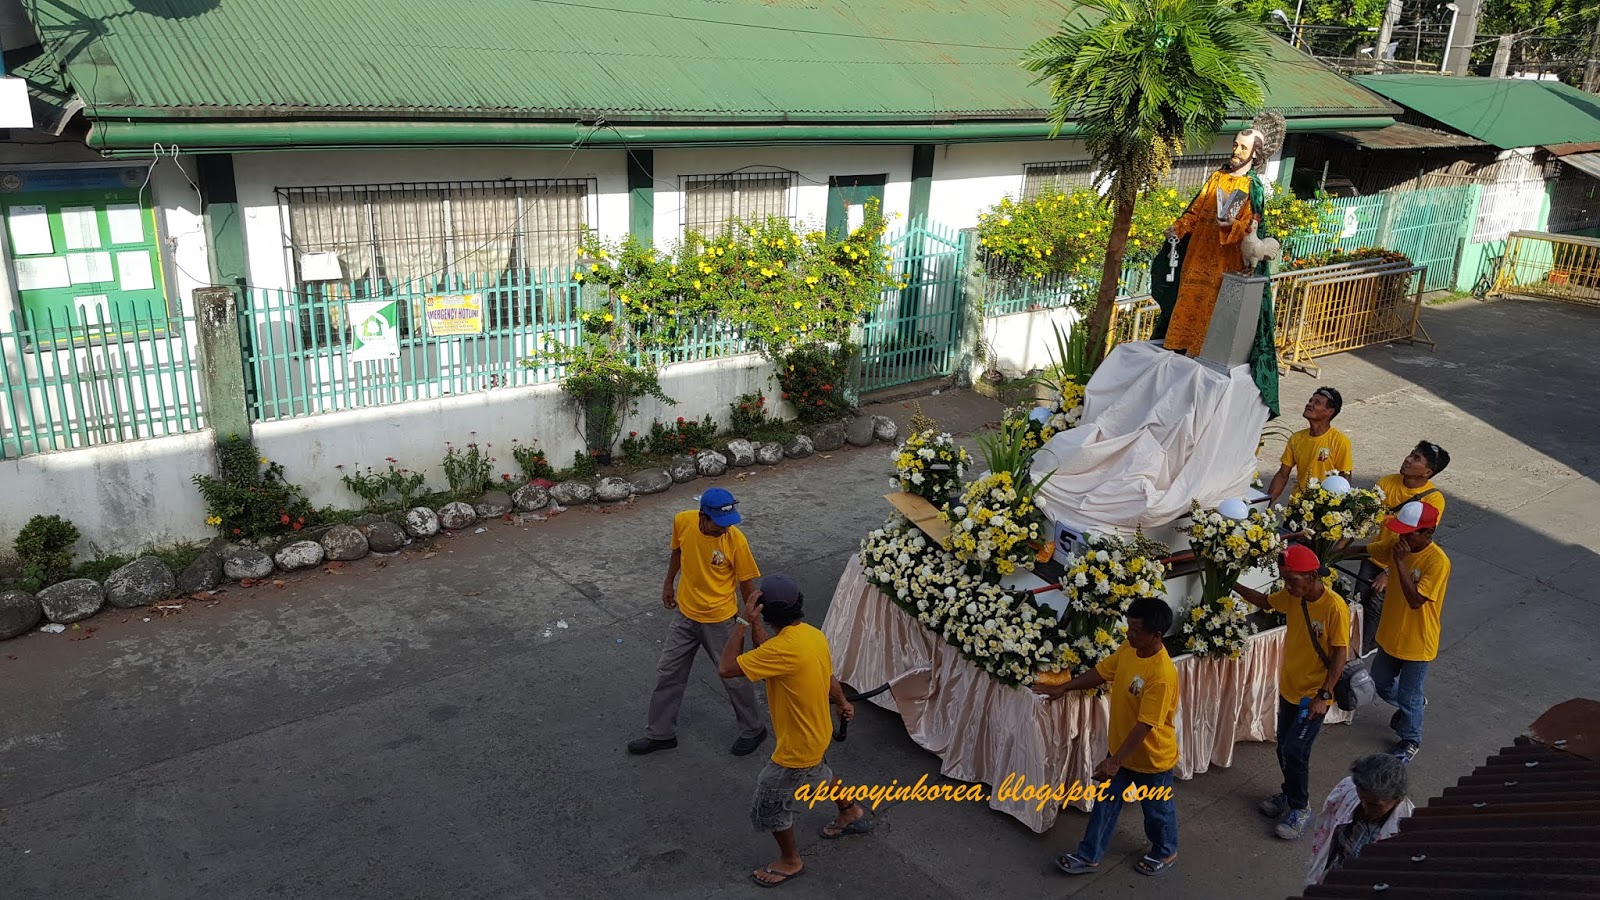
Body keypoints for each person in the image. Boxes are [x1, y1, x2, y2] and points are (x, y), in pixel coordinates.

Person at [716, 573, 871, 887]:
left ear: (765, 613)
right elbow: (823, 674)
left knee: (769, 803)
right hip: (818, 731)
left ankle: (790, 860)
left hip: (796, 748)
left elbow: (726, 668)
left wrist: (743, 622)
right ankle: (850, 811)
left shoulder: (781, 651)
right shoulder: (811, 635)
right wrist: (841, 701)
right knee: (819, 772)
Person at [1032, 596, 1180, 877]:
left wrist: (1115, 762)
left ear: (1156, 635)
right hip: (1121, 752)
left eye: (1135, 631)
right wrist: (1065, 687)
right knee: (1105, 805)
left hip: (1151, 759)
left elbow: (1145, 725)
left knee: (1157, 813)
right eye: (1129, 627)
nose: (1128, 634)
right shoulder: (1129, 648)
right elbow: (1102, 672)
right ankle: (1089, 856)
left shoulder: (1161, 674)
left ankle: (1165, 850)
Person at [628, 487, 768, 757]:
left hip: (721, 620)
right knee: (668, 672)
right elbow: (678, 552)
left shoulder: (735, 541)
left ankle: (754, 728)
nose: (724, 529)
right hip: (686, 615)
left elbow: (748, 587)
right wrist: (668, 582)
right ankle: (660, 733)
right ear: (703, 517)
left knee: (733, 676)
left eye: (729, 523)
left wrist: (752, 626)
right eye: (719, 524)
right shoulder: (683, 521)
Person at [1234, 544, 1351, 840]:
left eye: (1293, 580)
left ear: (1312, 576)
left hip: (1313, 695)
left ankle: (1300, 807)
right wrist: (1230, 582)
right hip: (1290, 688)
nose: (1288, 586)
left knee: (1296, 751)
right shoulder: (1293, 596)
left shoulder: (1334, 607)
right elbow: (1264, 601)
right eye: (1285, 579)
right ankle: (1288, 793)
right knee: (1283, 746)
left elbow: (1339, 655)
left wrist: (1323, 696)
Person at [1161, 113, 1285, 356]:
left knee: (1210, 312)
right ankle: (1177, 349)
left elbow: (1253, 230)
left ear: (1255, 155)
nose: (1237, 151)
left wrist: (1232, 225)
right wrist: (1179, 227)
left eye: (1243, 148)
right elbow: (1195, 211)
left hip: (1223, 264)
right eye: (1235, 145)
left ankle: (1201, 353)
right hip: (1196, 257)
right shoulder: (1217, 177)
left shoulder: (1252, 187)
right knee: (1186, 305)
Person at [1361, 501, 1451, 761]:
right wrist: (1329, 554)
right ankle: (1414, 706)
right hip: (1390, 634)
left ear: (1427, 533)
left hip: (1417, 642)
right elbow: (1366, 550)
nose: (1401, 537)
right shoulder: (1398, 545)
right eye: (1400, 531)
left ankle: (1411, 738)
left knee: (1409, 694)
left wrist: (1398, 564)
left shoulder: (1437, 562)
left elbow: (1415, 601)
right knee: (1381, 682)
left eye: (1409, 533)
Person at [1356, 441, 1450, 653]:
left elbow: (1416, 538)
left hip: (1399, 560)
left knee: (1376, 605)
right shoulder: (1387, 482)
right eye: (1411, 454)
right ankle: (1357, 642)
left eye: (1416, 458)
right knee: (1359, 599)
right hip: (1376, 553)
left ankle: (1367, 646)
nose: (1408, 459)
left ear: (1428, 472)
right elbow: (1366, 518)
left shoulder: (1434, 500)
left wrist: (1389, 572)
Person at [1304, 754, 1415, 886]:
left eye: (1374, 805)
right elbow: (1326, 826)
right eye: (1361, 798)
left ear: (1398, 799)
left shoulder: (1409, 829)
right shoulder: (1347, 790)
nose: (1365, 807)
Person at [1267, 387, 1353, 504]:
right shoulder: (1296, 438)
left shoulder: (1340, 441)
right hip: (1297, 506)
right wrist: (1265, 503)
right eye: (1310, 401)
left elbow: (1345, 478)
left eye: (1317, 403)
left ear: (1330, 411)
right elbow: (1282, 475)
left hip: (1324, 510)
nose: (1309, 404)